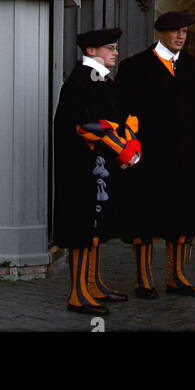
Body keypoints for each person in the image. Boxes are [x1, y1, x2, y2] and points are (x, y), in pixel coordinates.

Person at [115, 10, 195, 299]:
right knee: (145, 216)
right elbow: (123, 110)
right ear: (160, 32)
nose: (181, 37)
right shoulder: (134, 68)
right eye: (175, 32)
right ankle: (144, 279)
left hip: (188, 156)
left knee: (183, 215)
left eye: (185, 32)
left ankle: (177, 276)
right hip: (151, 157)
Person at [52, 27, 141, 315]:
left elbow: (121, 117)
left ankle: (93, 283)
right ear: (91, 51)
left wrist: (130, 143)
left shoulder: (102, 80)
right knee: (81, 228)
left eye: (114, 48)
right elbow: (88, 127)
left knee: (95, 227)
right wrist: (122, 151)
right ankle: (77, 295)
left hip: (99, 168)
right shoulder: (81, 81)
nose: (115, 52)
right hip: (81, 168)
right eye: (109, 48)